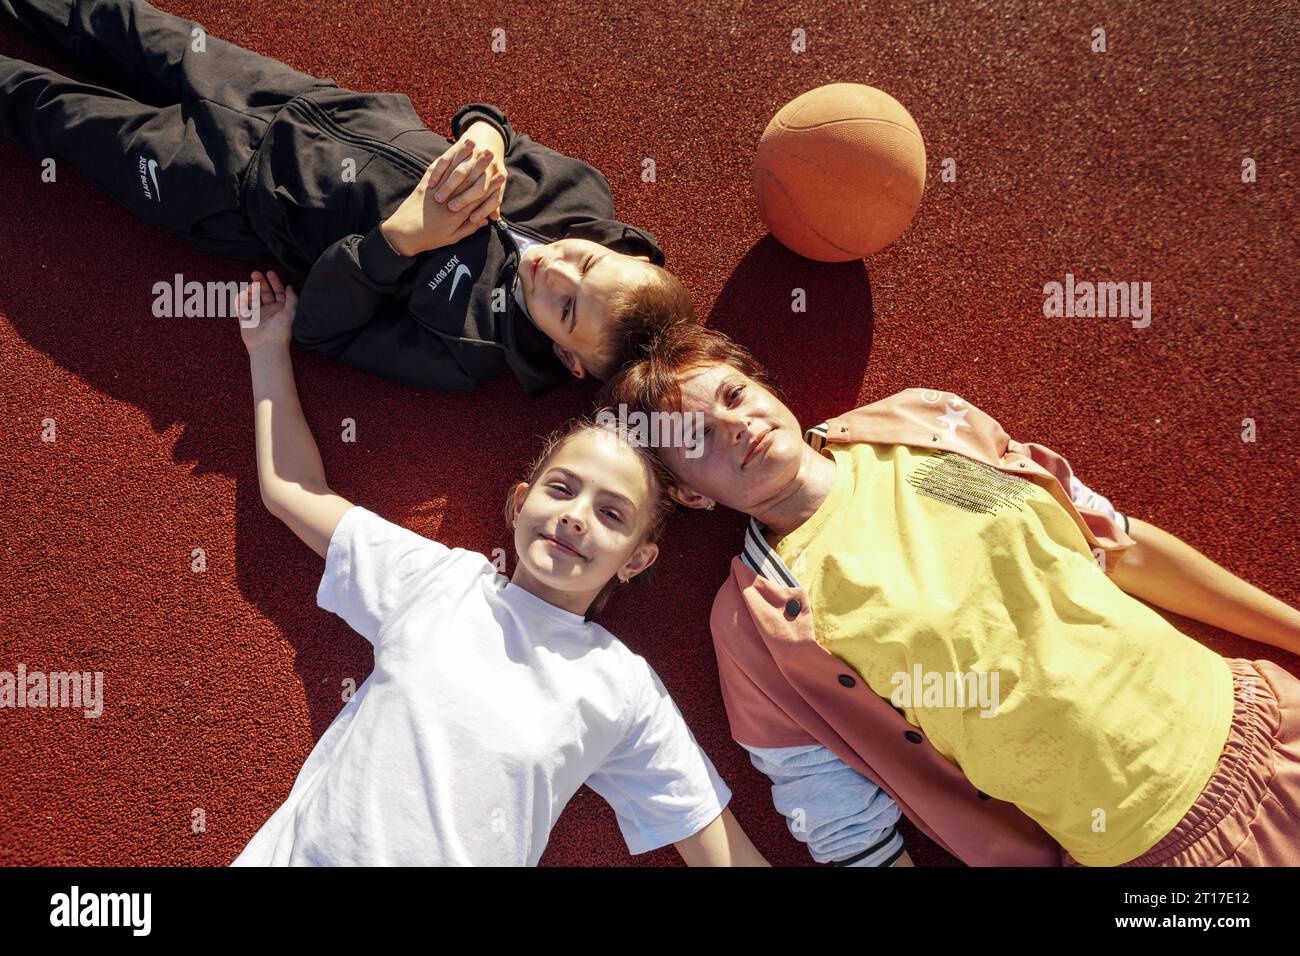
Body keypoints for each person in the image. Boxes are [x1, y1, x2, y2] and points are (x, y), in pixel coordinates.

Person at [599, 321, 1300, 867]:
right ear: (689, 493)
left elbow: (1119, 546)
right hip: (1149, 853)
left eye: (733, 395)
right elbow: (839, 818)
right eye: (697, 438)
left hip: (1268, 722)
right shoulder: (755, 627)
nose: (736, 426)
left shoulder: (921, 429)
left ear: (764, 387)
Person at [228, 271, 767, 866]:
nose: (576, 517)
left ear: (636, 560)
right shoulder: (439, 582)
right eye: (561, 488)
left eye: (612, 514)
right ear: (519, 503)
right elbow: (293, 490)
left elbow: (719, 849)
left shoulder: (621, 688)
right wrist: (268, 349)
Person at [0, 0, 694, 395]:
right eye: (592, 265)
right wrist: (483, 133)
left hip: (226, 189)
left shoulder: (468, 352)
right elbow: (490, 121)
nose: (559, 270)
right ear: (615, 250)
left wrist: (399, 243)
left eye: (566, 309)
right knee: (107, 18)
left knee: (50, 111)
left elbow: (325, 331)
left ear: (569, 359)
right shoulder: (581, 196)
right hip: (290, 97)